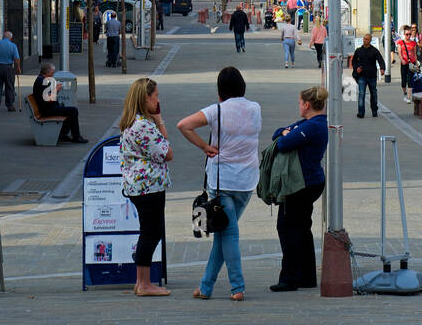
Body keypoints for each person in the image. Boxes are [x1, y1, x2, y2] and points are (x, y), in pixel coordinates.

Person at [177, 67, 261, 300]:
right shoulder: (256, 108)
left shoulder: (216, 111)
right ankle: (205, 287)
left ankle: (237, 287)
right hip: (247, 182)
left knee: (229, 236)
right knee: (223, 235)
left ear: (220, 90)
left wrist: (204, 146)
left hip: (222, 182)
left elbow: (183, 125)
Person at [269, 86, 329, 292]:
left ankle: (290, 277)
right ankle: (306, 276)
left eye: (300, 102)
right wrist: (285, 132)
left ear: (307, 104)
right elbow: (278, 133)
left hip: (301, 184)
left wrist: (285, 133)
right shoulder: (310, 123)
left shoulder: (312, 127)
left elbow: (283, 143)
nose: (299, 105)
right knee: (302, 228)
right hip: (310, 182)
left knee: (287, 228)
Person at [117, 77, 172, 296]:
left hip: (140, 185)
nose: (158, 100)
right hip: (148, 186)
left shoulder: (133, 123)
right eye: (155, 96)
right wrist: (160, 120)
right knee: (152, 232)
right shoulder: (143, 126)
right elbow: (167, 151)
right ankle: (145, 283)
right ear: (145, 98)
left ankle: (141, 282)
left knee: (148, 231)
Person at [32, 62, 89, 143]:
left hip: (48, 107)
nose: (53, 73)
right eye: (53, 71)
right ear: (47, 72)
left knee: (69, 110)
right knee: (73, 110)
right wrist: (56, 90)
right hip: (46, 110)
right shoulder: (41, 82)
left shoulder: (42, 79)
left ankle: (63, 133)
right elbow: (48, 99)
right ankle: (75, 136)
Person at [349, 33, 386, 118]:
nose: (364, 40)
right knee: (361, 94)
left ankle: (374, 110)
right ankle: (361, 113)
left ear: (370, 40)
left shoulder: (374, 50)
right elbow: (353, 61)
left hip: (372, 76)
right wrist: (356, 68)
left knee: (374, 94)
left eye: (366, 39)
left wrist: (382, 68)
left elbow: (380, 60)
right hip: (362, 76)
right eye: (364, 39)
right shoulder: (359, 50)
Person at [0, 30, 21, 113]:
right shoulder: (13, 46)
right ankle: (10, 105)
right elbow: (16, 58)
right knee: (10, 87)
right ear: (11, 38)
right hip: (8, 68)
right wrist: (18, 67)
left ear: (3, 37)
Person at [397, 26, 420, 103]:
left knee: (410, 80)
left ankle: (408, 97)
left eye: (410, 34)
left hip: (411, 63)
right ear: (404, 34)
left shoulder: (413, 43)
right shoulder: (400, 42)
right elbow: (399, 53)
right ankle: (405, 93)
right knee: (403, 80)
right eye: (407, 34)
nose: (408, 36)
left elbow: (414, 54)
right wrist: (402, 60)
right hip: (404, 63)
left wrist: (416, 63)